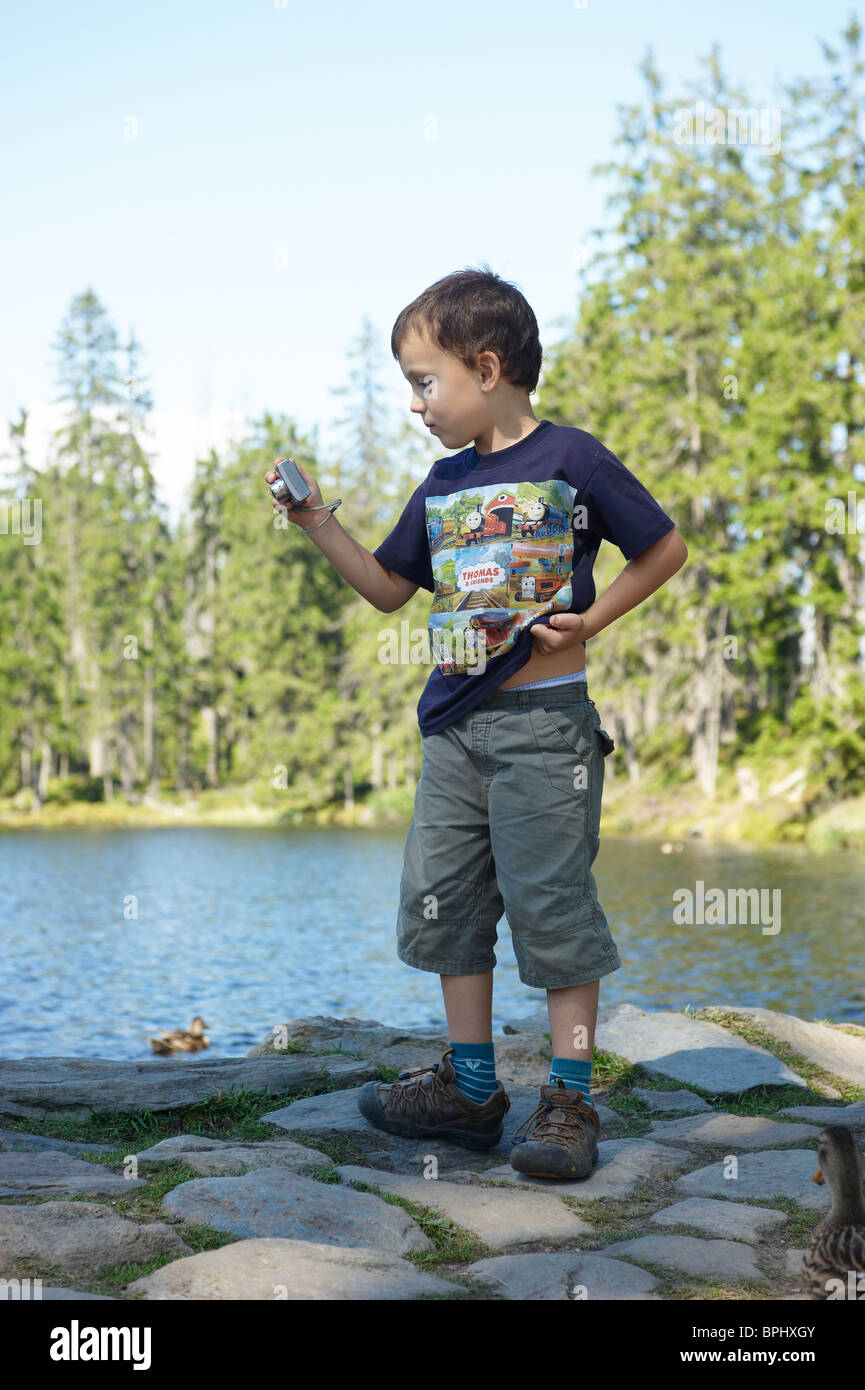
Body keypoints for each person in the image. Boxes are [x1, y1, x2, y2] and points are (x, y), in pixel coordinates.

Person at [264, 265, 688, 1180]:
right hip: (455, 730)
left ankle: (568, 1100)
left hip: (544, 729)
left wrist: (595, 618)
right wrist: (315, 522)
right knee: (447, 903)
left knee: (553, 909)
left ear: (486, 367)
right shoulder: (443, 480)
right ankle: (467, 1090)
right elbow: (386, 589)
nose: (416, 404)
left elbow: (663, 547)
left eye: (425, 382)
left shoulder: (571, 459)